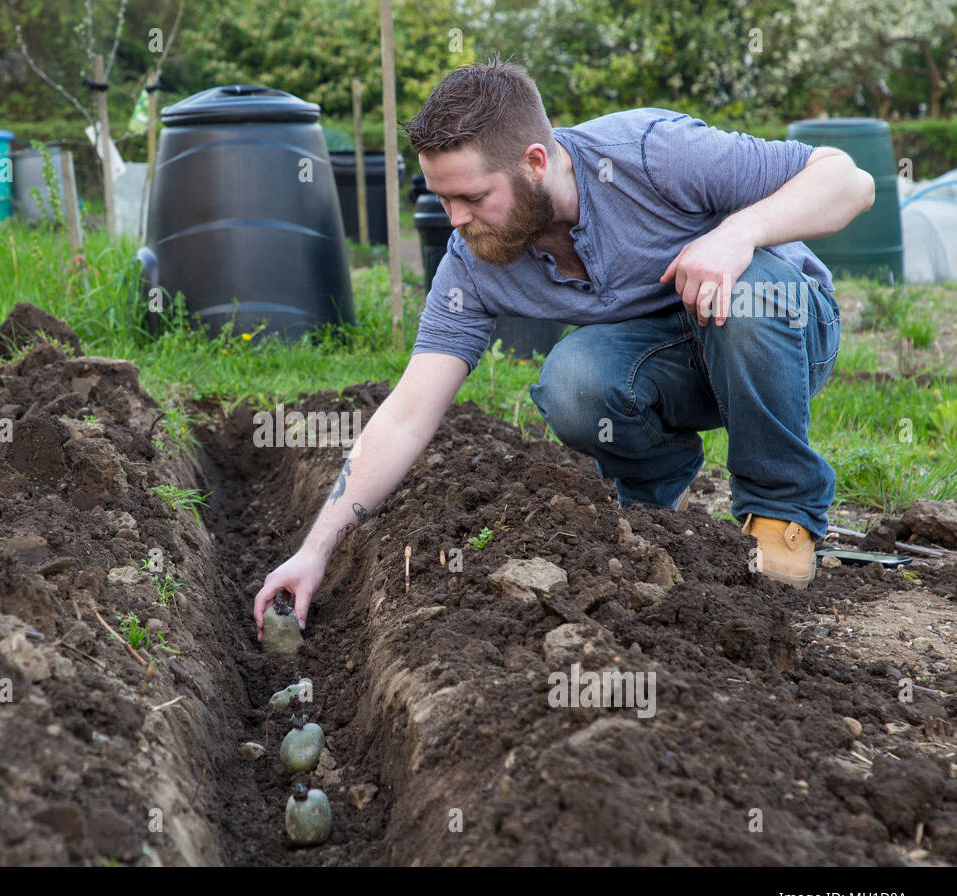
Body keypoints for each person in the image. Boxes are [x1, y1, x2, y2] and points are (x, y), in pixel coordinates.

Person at [253, 55, 875, 641]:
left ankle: (781, 513)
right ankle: (655, 518)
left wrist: (737, 234)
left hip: (784, 335)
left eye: (472, 197)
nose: (456, 219)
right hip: (675, 363)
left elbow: (850, 181)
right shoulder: (471, 263)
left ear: (533, 161)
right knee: (572, 381)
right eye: (443, 199)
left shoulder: (651, 152)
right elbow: (409, 412)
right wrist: (316, 550)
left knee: (748, 294)